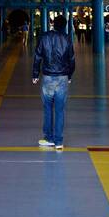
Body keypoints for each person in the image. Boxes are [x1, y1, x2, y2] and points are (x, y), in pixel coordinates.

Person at [32, 16, 75, 150]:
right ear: (64, 25)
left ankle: (49, 138)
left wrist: (35, 74)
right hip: (62, 77)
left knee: (48, 108)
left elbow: (38, 56)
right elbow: (72, 59)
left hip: (48, 77)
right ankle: (59, 141)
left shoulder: (44, 37)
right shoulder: (67, 38)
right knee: (60, 110)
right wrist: (69, 74)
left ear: (53, 24)